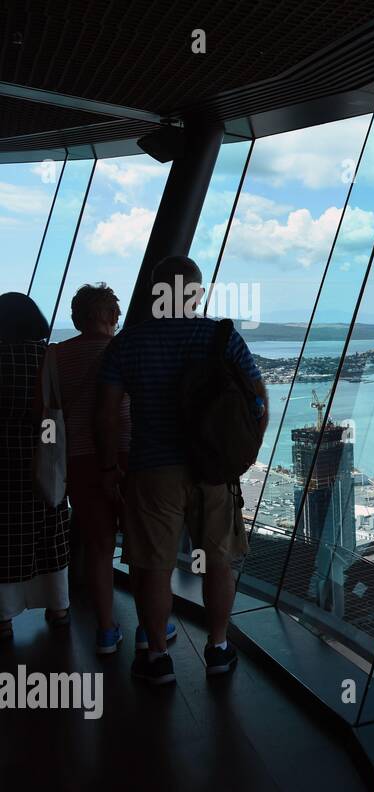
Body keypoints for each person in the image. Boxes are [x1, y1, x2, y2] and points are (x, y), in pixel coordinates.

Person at [96, 257, 268, 685]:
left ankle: (156, 657)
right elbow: (257, 402)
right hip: (212, 470)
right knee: (217, 562)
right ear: (197, 293)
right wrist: (244, 454)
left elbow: (106, 415)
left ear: (156, 293)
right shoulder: (221, 337)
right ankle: (218, 648)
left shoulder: (128, 343)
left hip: (152, 470)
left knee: (153, 567)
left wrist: (109, 466)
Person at [43, 283, 141, 655]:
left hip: (80, 462)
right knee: (141, 546)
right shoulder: (123, 349)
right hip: (127, 455)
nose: (117, 319)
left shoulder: (55, 356)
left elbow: (47, 414)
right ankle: (152, 626)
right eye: (113, 312)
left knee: (98, 549)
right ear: (107, 315)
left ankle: (105, 629)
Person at [0, 292, 71, 637]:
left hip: (3, 460)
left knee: (5, 536)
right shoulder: (48, 356)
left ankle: (2, 617)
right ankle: (58, 607)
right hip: (44, 453)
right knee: (49, 530)